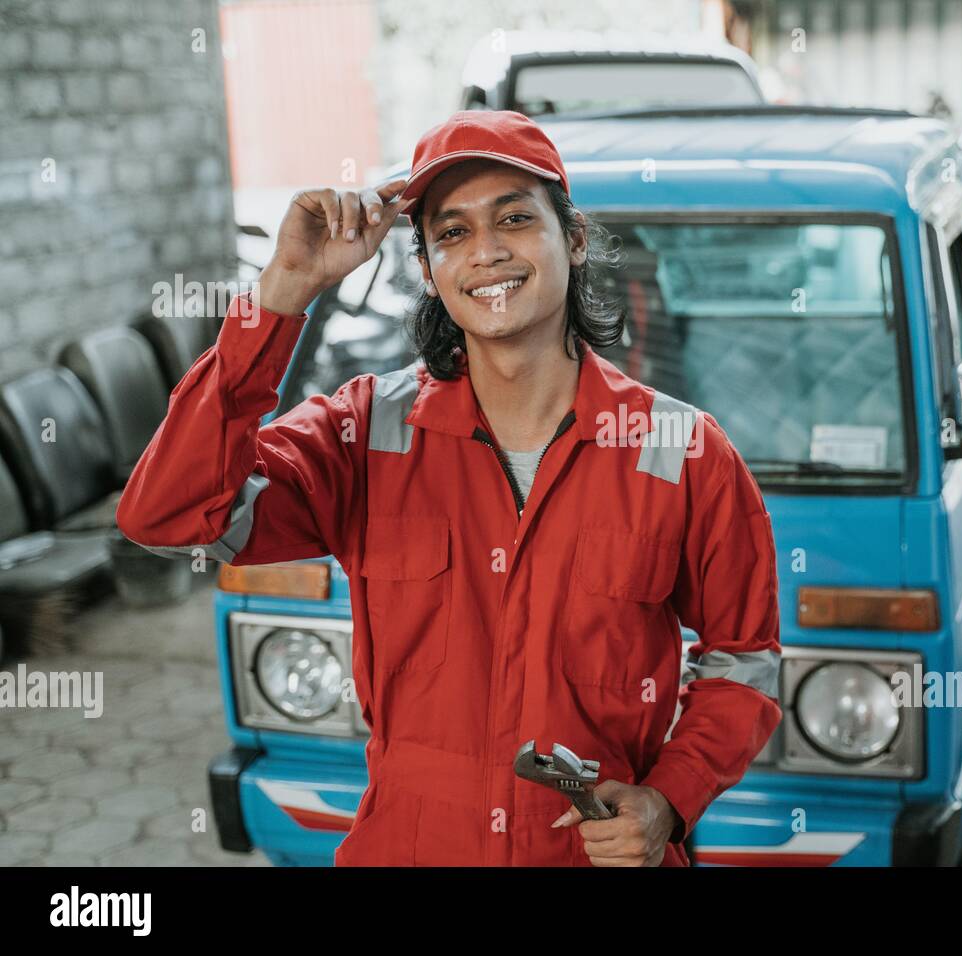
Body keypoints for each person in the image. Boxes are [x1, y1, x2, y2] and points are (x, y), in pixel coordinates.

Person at [117, 110, 782, 866]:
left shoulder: (681, 451)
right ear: (429, 271)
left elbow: (743, 660)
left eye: (515, 219)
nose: (488, 253)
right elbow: (165, 515)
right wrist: (281, 295)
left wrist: (670, 797)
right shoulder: (364, 434)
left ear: (574, 239)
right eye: (453, 233)